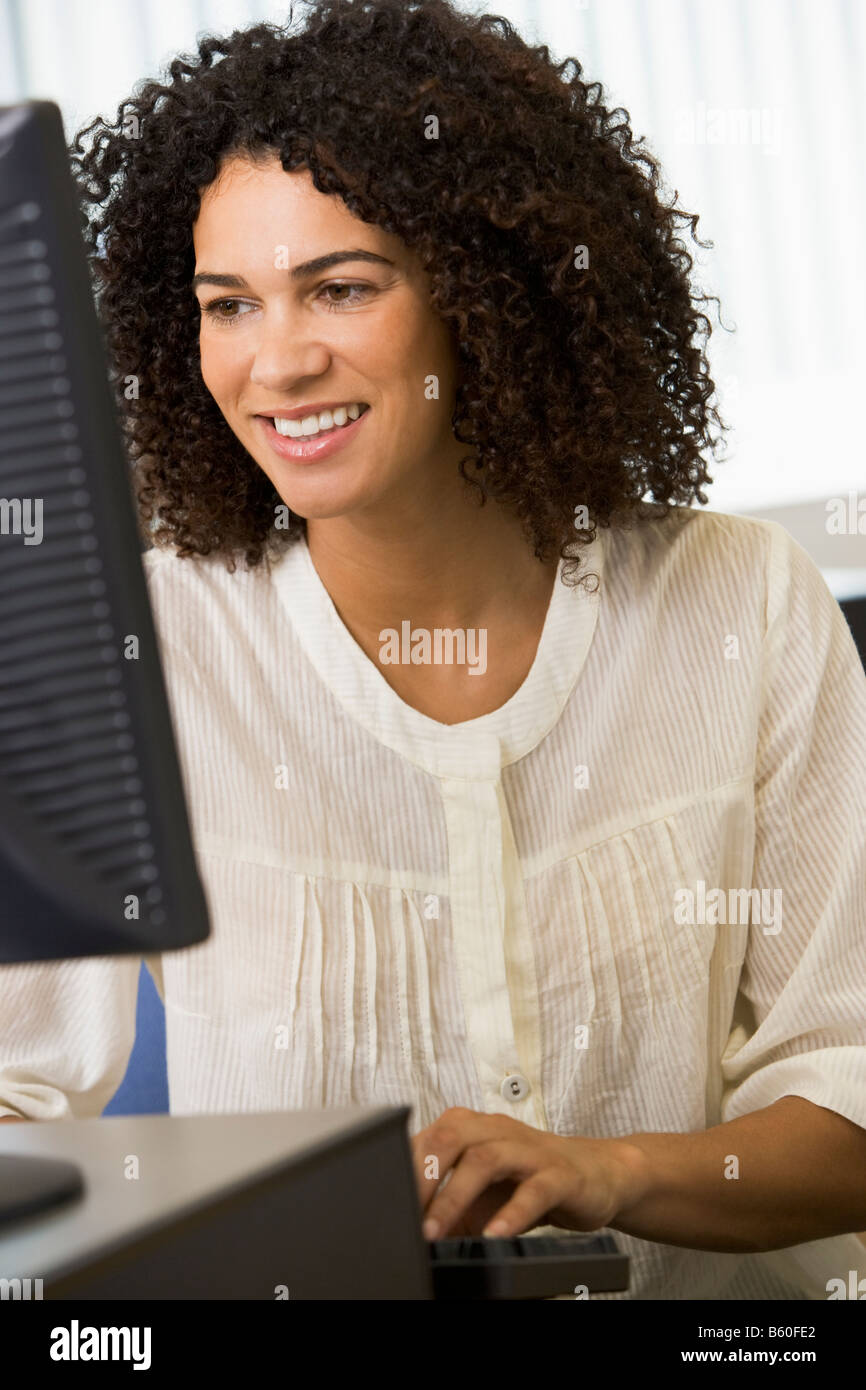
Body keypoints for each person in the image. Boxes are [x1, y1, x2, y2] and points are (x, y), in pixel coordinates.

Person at [2, 0, 865, 1301]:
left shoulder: (735, 601)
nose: (278, 360)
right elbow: (21, 1102)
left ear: (485, 290)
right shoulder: (150, 641)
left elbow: (847, 1102)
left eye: (340, 287)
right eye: (227, 303)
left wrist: (606, 1169)